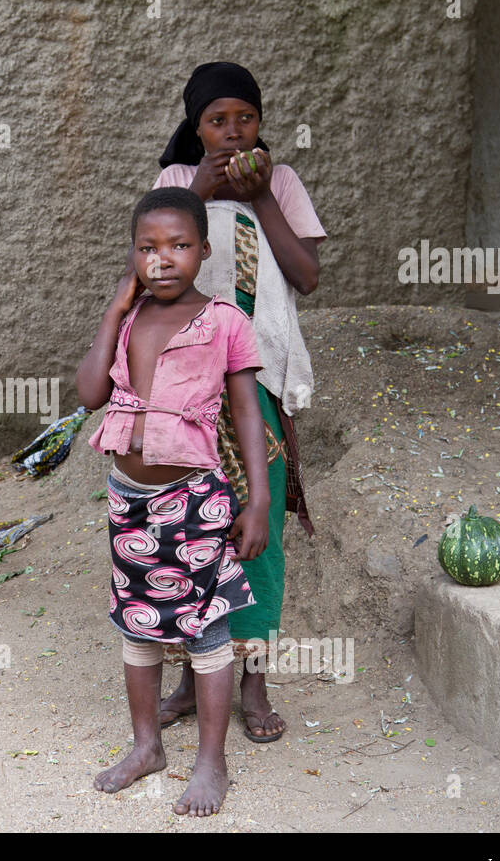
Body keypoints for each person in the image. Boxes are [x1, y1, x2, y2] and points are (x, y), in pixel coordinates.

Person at [76, 187, 270, 817]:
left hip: (194, 497)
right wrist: (112, 310)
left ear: (204, 251)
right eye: (148, 248)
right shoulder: (131, 320)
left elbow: (245, 413)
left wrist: (258, 501)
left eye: (179, 246)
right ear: (132, 256)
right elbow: (87, 394)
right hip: (128, 496)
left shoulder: (225, 323)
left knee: (206, 626)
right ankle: (146, 746)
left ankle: (211, 763)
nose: (163, 259)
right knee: (137, 623)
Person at [152, 62, 326, 742]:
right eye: (217, 122)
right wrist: (201, 190)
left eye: (244, 119)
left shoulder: (279, 183)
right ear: (196, 129)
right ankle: (192, 678)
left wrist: (261, 202)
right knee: (186, 530)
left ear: (261, 123)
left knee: (258, 534)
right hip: (186, 387)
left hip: (259, 385)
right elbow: (159, 269)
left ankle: (252, 682)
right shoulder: (172, 183)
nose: (232, 133)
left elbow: (307, 276)